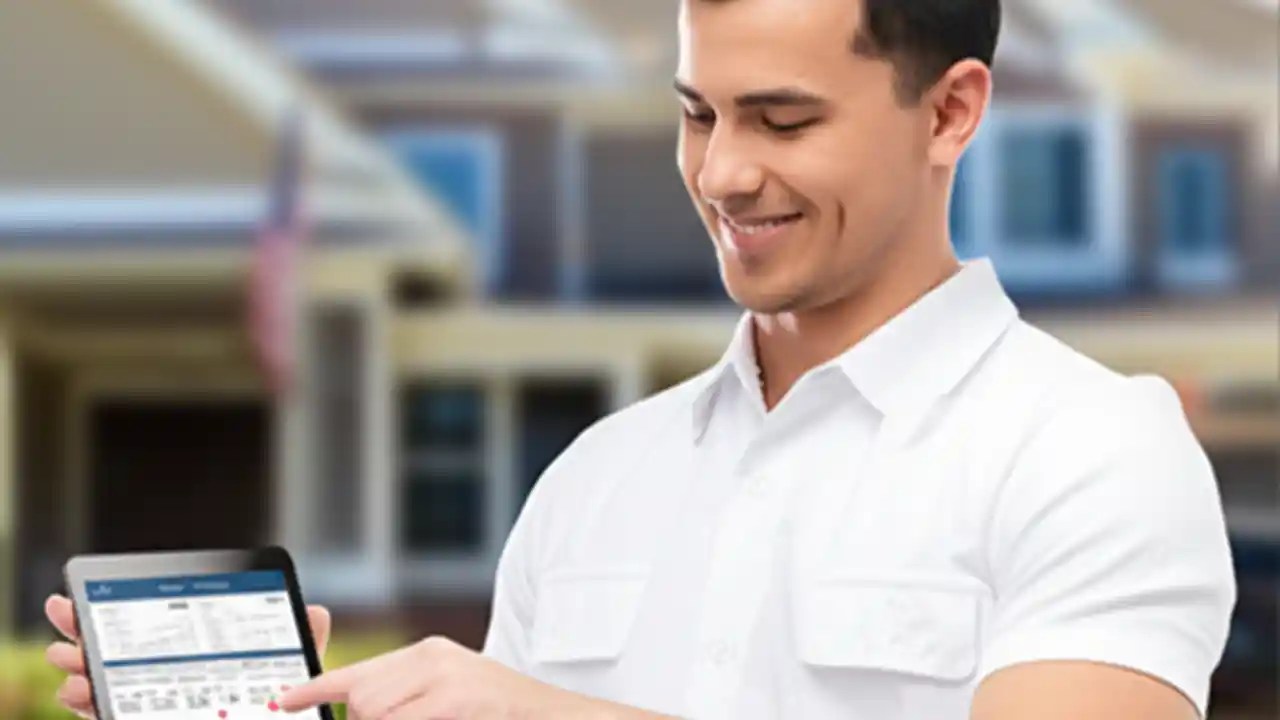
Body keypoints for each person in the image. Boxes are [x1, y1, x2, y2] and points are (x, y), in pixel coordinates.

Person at [45, 0, 1236, 717]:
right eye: (696, 114)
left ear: (949, 113)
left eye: (781, 120)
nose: (720, 175)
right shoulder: (595, 479)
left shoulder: (1089, 449)